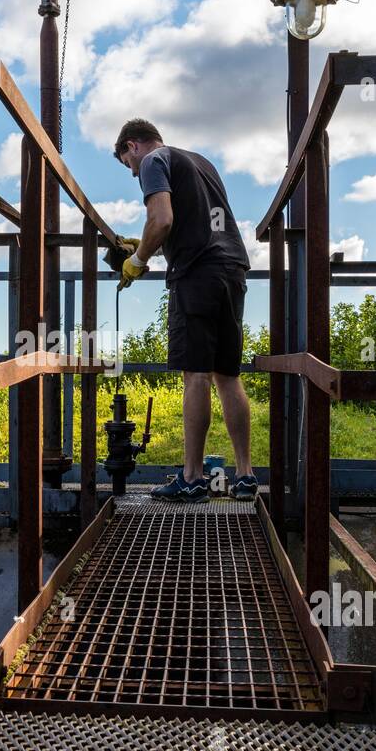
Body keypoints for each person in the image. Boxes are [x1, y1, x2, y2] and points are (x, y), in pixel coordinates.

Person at [112, 118, 257, 503]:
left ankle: (192, 477)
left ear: (132, 146)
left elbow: (162, 219)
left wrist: (138, 260)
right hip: (232, 271)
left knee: (196, 375)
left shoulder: (153, 162)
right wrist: (145, 244)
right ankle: (244, 475)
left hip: (197, 277)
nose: (133, 172)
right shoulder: (200, 162)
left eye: (128, 163)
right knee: (227, 375)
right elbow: (193, 224)